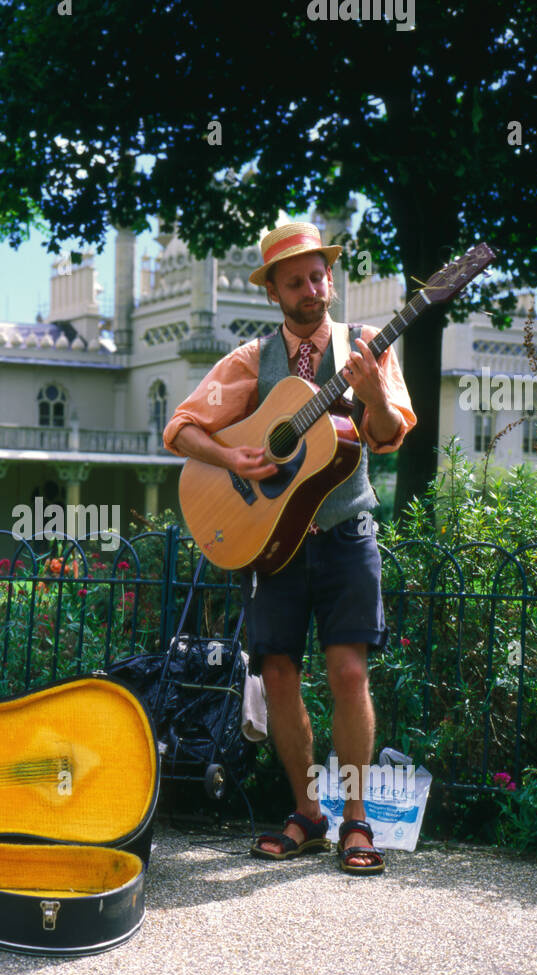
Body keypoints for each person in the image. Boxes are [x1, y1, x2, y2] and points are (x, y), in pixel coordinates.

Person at [163, 221, 417, 874]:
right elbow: (181, 429)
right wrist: (232, 456)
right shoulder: (250, 360)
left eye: (320, 275)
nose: (313, 287)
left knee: (349, 672)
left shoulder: (366, 349)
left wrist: (369, 395)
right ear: (273, 290)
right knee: (277, 672)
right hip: (273, 544)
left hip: (346, 532)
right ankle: (307, 814)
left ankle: (356, 821)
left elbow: (388, 436)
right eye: (296, 279)